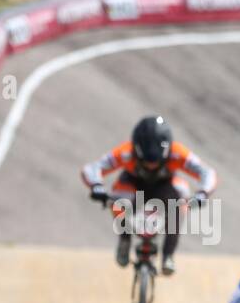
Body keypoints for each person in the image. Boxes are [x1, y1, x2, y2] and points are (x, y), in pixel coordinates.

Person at [81, 115, 216, 275]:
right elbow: (93, 168)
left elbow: (207, 172)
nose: (151, 166)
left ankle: (168, 255)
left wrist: (203, 193)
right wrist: (96, 186)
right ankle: (124, 238)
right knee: (117, 200)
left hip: (164, 186)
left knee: (180, 205)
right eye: (145, 161)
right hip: (132, 184)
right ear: (137, 151)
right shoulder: (126, 152)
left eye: (156, 161)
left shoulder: (177, 153)